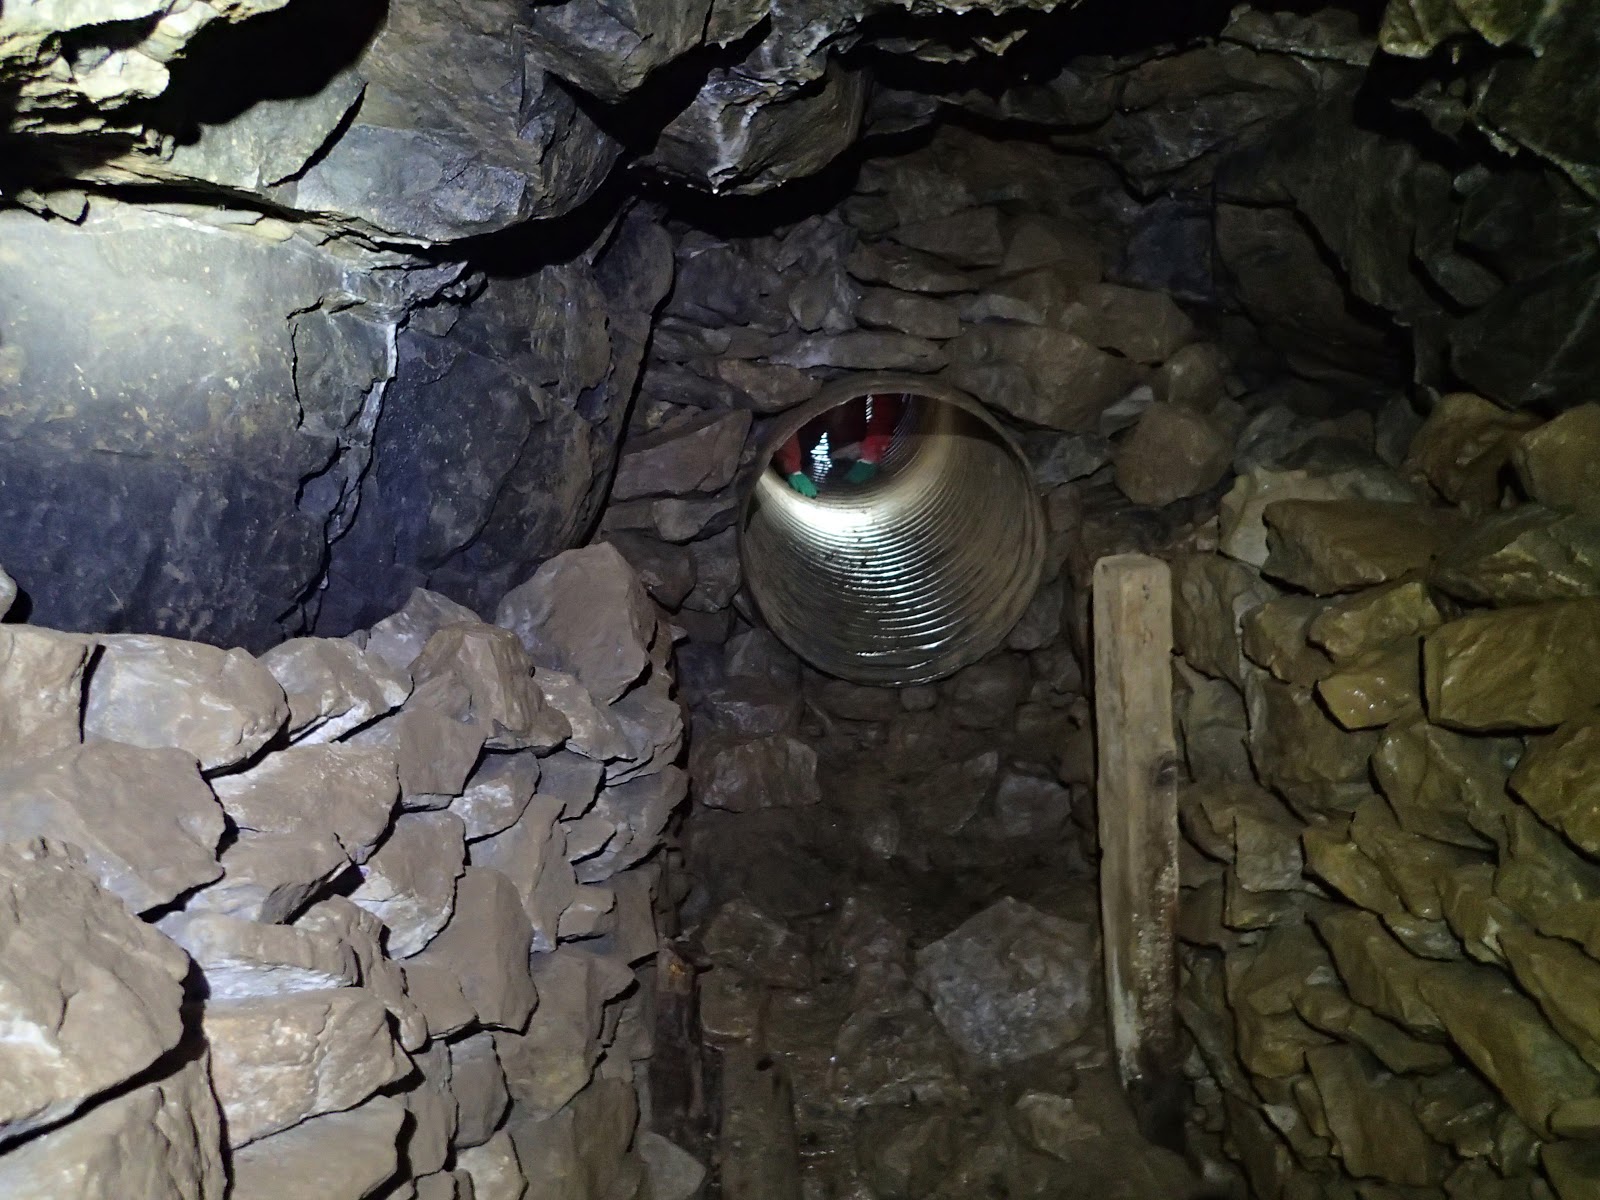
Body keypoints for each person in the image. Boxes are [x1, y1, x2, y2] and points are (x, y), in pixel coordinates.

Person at [773, 393, 907, 497]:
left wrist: (871, 455)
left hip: (846, 425)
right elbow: (780, 404)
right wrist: (791, 466)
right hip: (802, 425)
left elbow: (886, 399)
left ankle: (843, 452)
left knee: (844, 408)